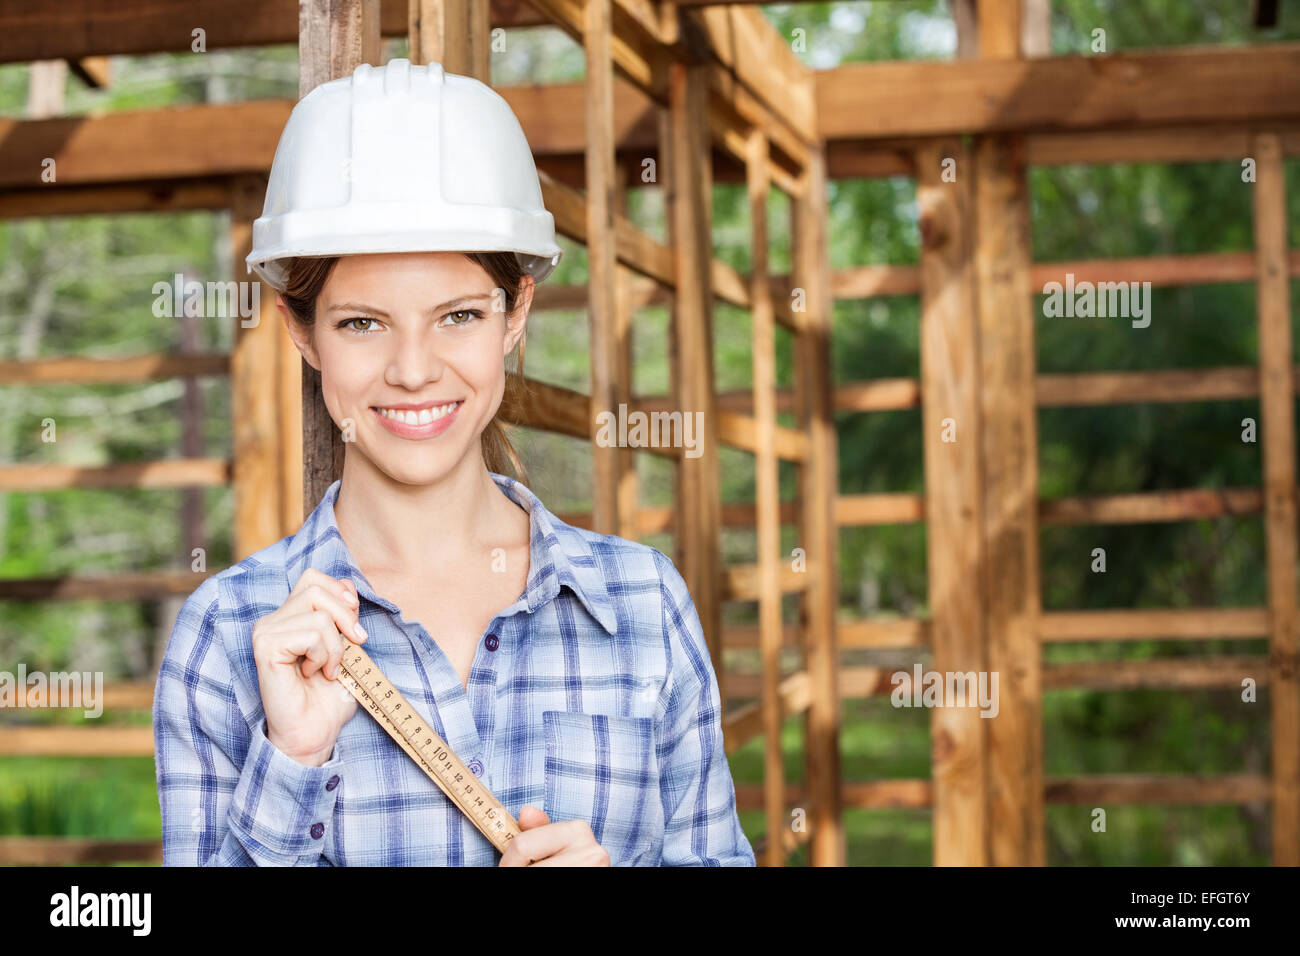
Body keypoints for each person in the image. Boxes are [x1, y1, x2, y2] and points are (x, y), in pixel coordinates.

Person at [152, 59, 755, 867]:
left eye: (459, 316)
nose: (413, 369)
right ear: (302, 334)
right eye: (363, 324)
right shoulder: (226, 636)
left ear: (516, 315)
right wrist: (290, 762)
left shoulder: (645, 606)